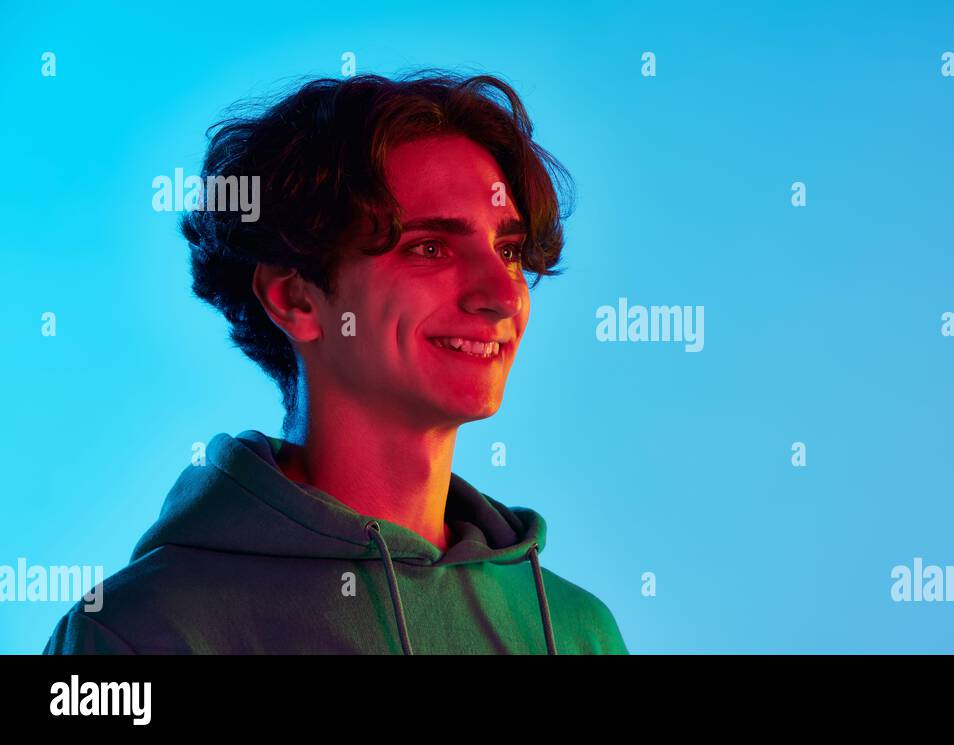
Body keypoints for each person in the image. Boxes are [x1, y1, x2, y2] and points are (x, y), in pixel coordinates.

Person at [43, 70, 627, 654]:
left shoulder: (580, 631)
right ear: (296, 298)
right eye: (430, 248)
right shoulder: (138, 630)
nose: (502, 296)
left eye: (508, 251)